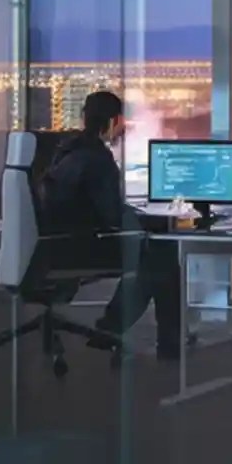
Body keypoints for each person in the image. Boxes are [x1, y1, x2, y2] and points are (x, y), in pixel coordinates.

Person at [40, 91, 182, 359]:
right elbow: (113, 217)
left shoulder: (66, 150)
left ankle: (117, 330)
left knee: (154, 250)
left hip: (57, 244)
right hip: (81, 248)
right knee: (160, 251)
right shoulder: (98, 160)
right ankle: (153, 340)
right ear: (116, 120)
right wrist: (151, 220)